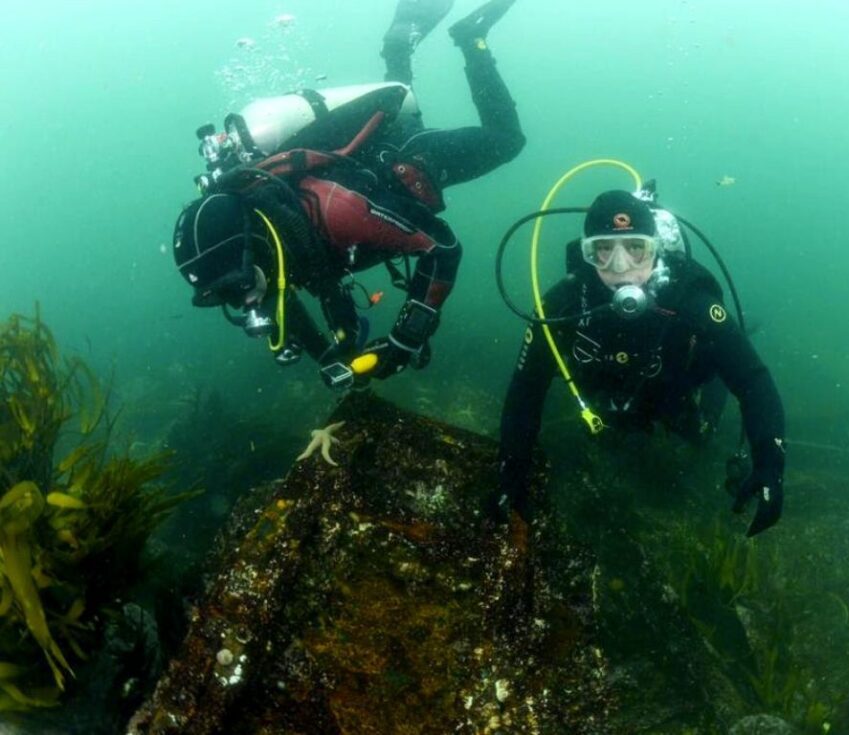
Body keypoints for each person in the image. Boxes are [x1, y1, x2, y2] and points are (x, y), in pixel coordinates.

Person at [172, 0, 524, 385]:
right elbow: (297, 292)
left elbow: (441, 249)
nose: (249, 304)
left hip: (408, 160)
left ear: (250, 246)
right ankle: (398, 51)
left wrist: (404, 340)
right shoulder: (264, 255)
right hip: (367, 159)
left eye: (241, 289)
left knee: (506, 141)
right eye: (230, 296)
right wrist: (330, 357)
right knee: (402, 102)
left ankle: (471, 39)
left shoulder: (336, 208)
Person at [496, 189, 786, 537]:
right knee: (612, 429)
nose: (621, 269)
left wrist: (770, 463)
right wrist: (511, 471)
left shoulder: (691, 299)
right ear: (587, 253)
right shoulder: (562, 303)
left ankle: (730, 343)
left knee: (700, 434)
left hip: (673, 390)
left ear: (656, 249)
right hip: (609, 395)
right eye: (603, 250)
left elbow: (751, 377)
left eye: (636, 249)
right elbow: (525, 390)